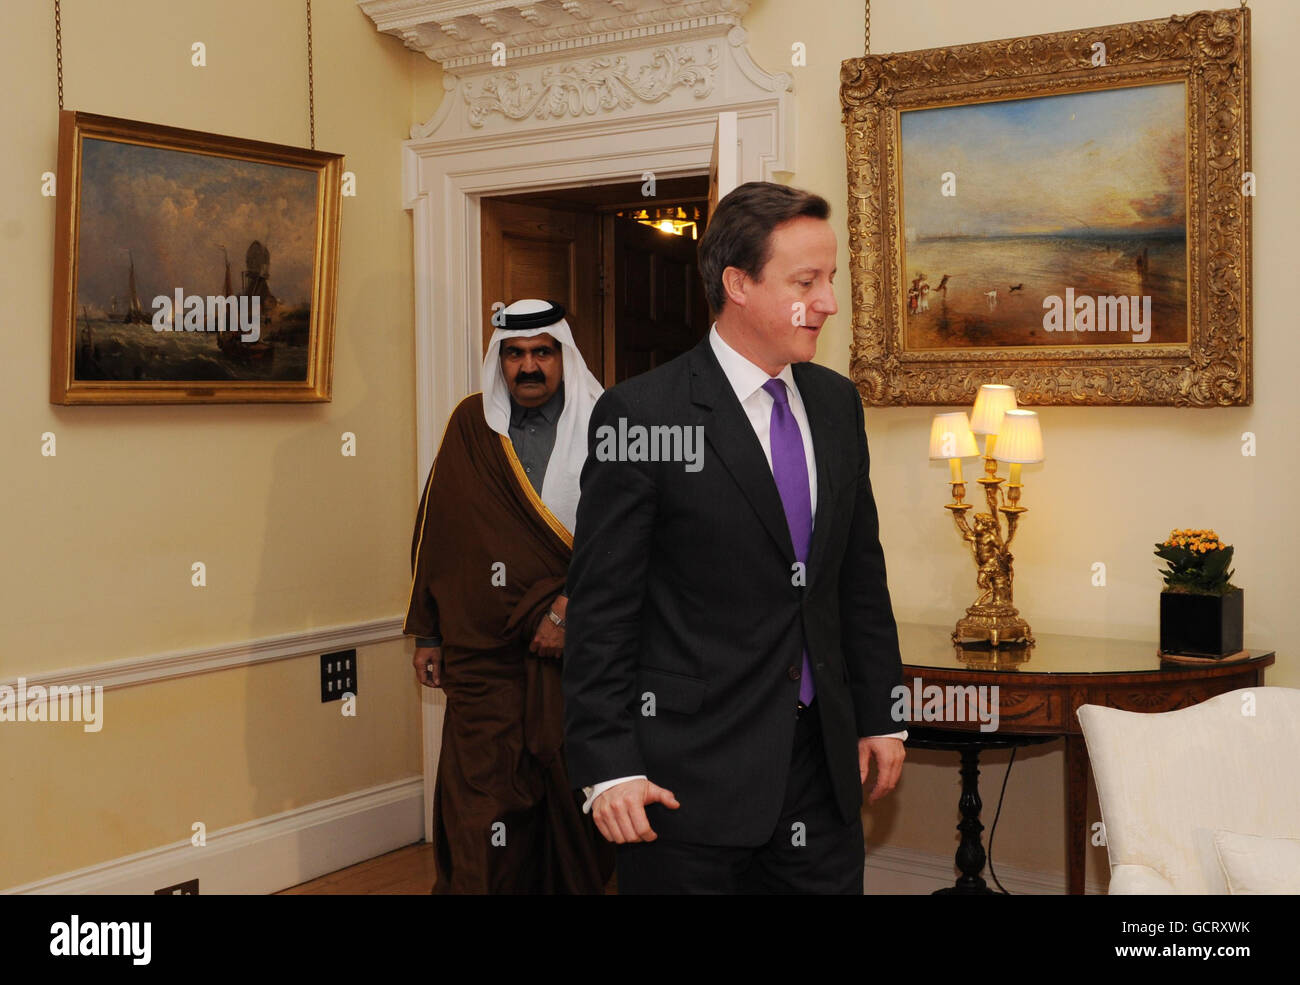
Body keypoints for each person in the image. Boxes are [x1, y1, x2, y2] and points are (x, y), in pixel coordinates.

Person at [563, 182, 906, 894]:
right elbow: (601, 612)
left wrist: (882, 714)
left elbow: (857, 579)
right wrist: (608, 765)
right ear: (737, 284)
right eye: (806, 281)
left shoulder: (837, 404)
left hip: (821, 777)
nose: (830, 302)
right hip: (685, 786)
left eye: (831, 278)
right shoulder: (645, 414)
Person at [404, 298, 613, 893]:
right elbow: (437, 530)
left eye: (542, 352)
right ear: (499, 360)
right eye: (515, 354)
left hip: (575, 658)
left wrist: (569, 608)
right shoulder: (472, 424)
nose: (528, 367)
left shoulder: (603, 423)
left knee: (571, 807)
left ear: (563, 356)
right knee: (481, 810)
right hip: (482, 658)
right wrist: (429, 632)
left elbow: (629, 537)